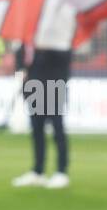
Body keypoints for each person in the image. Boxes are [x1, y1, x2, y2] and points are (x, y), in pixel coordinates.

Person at [12, 43, 71, 189]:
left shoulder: (55, 42)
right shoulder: (26, 43)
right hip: (33, 88)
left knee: (58, 131)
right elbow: (19, 62)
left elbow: (64, 60)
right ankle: (38, 171)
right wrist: (20, 73)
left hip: (53, 87)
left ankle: (61, 172)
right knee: (37, 131)